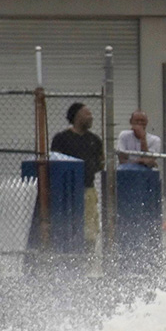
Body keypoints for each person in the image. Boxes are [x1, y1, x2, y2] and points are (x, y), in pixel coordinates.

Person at [50, 101, 104, 242]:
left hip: (87, 189)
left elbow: (100, 163)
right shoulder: (62, 138)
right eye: (87, 114)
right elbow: (54, 161)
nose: (91, 117)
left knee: (89, 231)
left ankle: (88, 258)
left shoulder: (94, 140)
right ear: (76, 116)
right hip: (66, 190)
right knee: (68, 227)